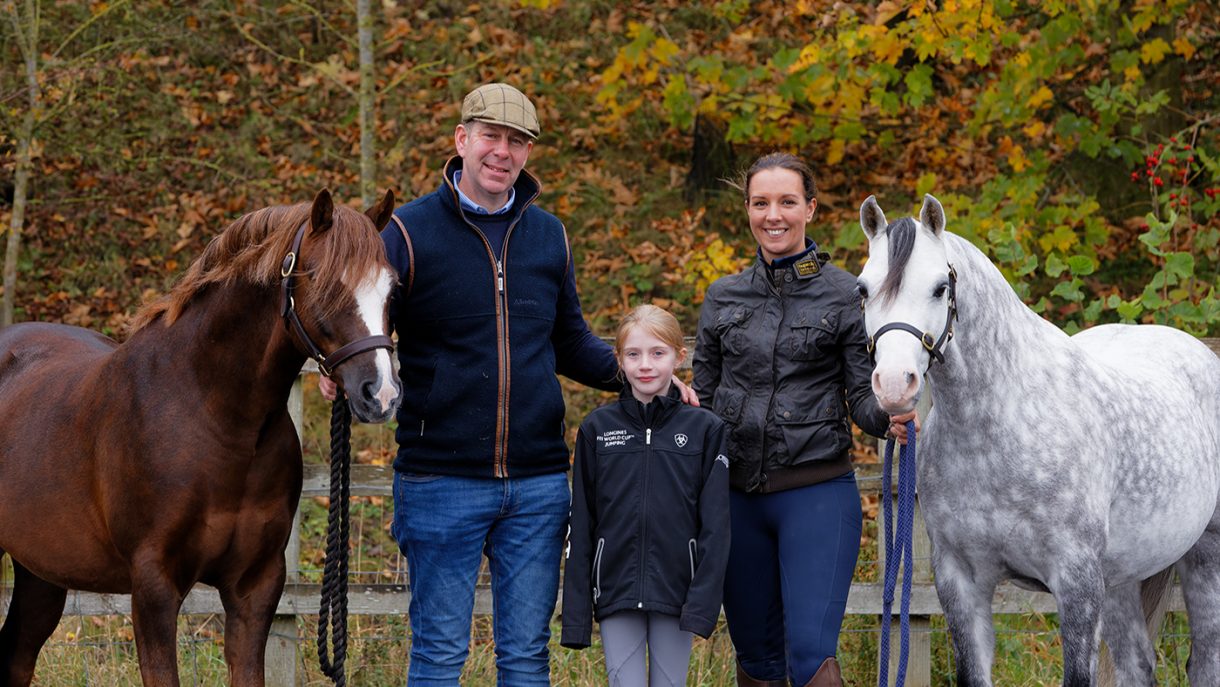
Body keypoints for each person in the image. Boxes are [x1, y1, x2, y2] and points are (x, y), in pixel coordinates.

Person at [319, 83, 693, 686]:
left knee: (525, 657)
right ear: (462, 139)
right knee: (439, 654)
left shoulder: (549, 236)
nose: (502, 151)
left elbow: (570, 341)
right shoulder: (406, 233)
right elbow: (358, 316)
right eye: (490, 136)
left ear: (527, 153)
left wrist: (651, 381)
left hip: (537, 485)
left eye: (516, 142)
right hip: (440, 480)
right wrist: (336, 367)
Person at [692, 152, 918, 687]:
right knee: (755, 659)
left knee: (810, 656)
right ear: (748, 209)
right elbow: (701, 400)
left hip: (816, 495)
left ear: (810, 208)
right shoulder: (723, 297)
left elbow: (860, 394)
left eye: (787, 202)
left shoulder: (846, 295)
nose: (773, 215)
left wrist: (887, 419)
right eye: (761, 203)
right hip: (735, 500)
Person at [561, 304, 730, 687]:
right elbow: (582, 523)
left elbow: (716, 526)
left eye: (658, 353)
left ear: (678, 357)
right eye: (634, 354)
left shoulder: (706, 429)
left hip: (677, 592)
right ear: (619, 360)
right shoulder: (597, 429)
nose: (646, 365)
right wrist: (576, 616)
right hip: (615, 590)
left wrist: (702, 603)